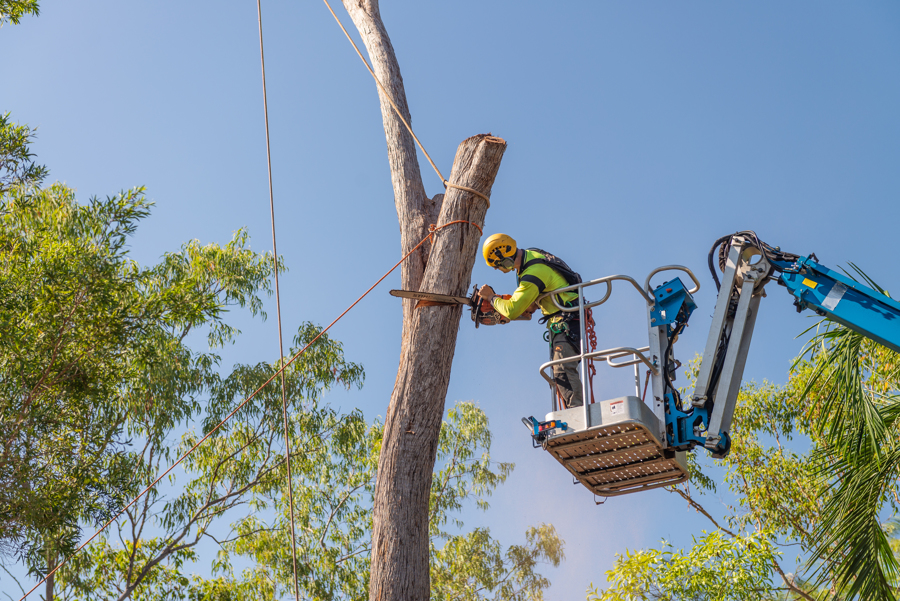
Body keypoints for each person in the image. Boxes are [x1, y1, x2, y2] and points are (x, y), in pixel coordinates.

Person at [477, 233, 585, 408]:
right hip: (565, 320)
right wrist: (527, 305)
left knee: (562, 368)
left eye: (497, 265)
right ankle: (574, 410)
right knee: (560, 370)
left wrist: (491, 298)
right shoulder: (530, 257)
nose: (497, 269)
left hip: (567, 321)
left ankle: (577, 412)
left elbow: (512, 310)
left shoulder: (533, 272)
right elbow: (537, 296)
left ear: (504, 258)